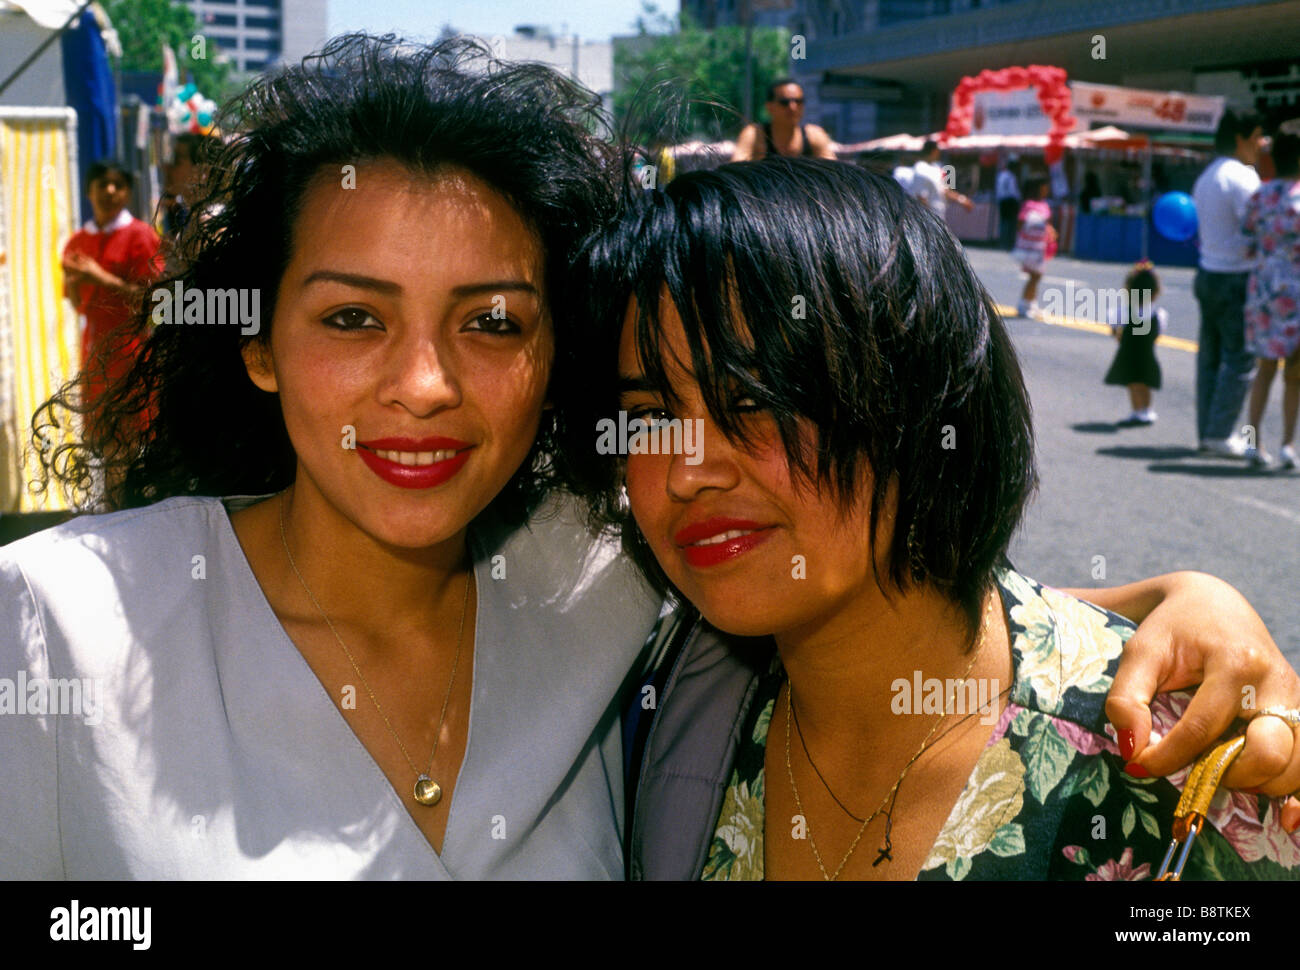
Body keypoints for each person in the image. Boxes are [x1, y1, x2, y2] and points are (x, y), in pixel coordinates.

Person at [3, 38, 1298, 881]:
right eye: (351, 315)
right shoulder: (63, 625)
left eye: (493, 321)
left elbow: (894, 587)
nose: (421, 382)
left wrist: (1180, 597)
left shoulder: (604, 586)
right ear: (259, 344)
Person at [568, 158, 1300, 880]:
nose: (688, 469)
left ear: (913, 397)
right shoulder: (664, 701)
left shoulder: (1170, 767)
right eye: (652, 417)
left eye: (756, 399)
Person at [1193, 108, 1267, 458]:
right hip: (1236, 277)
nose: (1262, 144)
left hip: (1207, 272)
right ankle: (1220, 433)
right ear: (1241, 139)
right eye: (1257, 137)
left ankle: (1207, 430)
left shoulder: (1207, 176)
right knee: (1239, 361)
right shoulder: (1243, 177)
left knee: (1209, 358)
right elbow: (1259, 227)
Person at [60, 160, 164, 407]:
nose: (109, 191)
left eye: (118, 185)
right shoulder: (78, 241)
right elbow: (77, 305)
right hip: (94, 350)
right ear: (89, 191)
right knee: (99, 433)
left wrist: (101, 278)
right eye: (103, 184)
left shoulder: (141, 236)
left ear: (127, 193)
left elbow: (156, 302)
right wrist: (74, 283)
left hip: (132, 348)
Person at [1242, 119, 1300, 470]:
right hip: (1296, 295)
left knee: (1263, 371)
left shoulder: (1260, 197)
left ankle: (1253, 442)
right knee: (1296, 376)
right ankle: (1288, 446)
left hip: (1263, 292)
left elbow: (1246, 240)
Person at [1105, 261, 1167, 427]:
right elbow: (1157, 333)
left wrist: (1119, 336)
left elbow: (1113, 326)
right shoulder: (1157, 314)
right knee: (1145, 382)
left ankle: (1137, 410)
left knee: (1133, 383)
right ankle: (1146, 409)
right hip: (1147, 354)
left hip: (1129, 354)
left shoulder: (1125, 311)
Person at [731, 78, 835, 162]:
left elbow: (833, 173)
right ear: (769, 107)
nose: (793, 107)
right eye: (785, 102)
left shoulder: (815, 135)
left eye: (798, 101)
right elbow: (735, 170)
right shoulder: (754, 135)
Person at [1011, 176, 1057, 318]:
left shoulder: (1045, 205)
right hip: (1029, 246)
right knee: (1034, 275)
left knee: (1037, 275)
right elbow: (1021, 223)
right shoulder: (1029, 204)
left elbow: (1047, 223)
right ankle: (1023, 304)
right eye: (1044, 187)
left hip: (1040, 246)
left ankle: (1031, 303)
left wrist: (1050, 231)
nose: (1046, 190)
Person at [909, 139, 974, 220]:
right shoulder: (920, 170)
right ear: (934, 151)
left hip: (939, 216)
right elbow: (921, 198)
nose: (940, 153)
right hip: (928, 219)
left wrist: (962, 200)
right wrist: (927, 220)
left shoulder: (936, 166)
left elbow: (945, 190)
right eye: (938, 151)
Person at [996, 154, 1021, 249]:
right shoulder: (1011, 176)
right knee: (1010, 222)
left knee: (1003, 222)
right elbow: (1013, 191)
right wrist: (1018, 200)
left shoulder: (1001, 175)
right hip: (1010, 201)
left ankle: (1002, 241)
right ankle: (1008, 243)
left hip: (1002, 200)